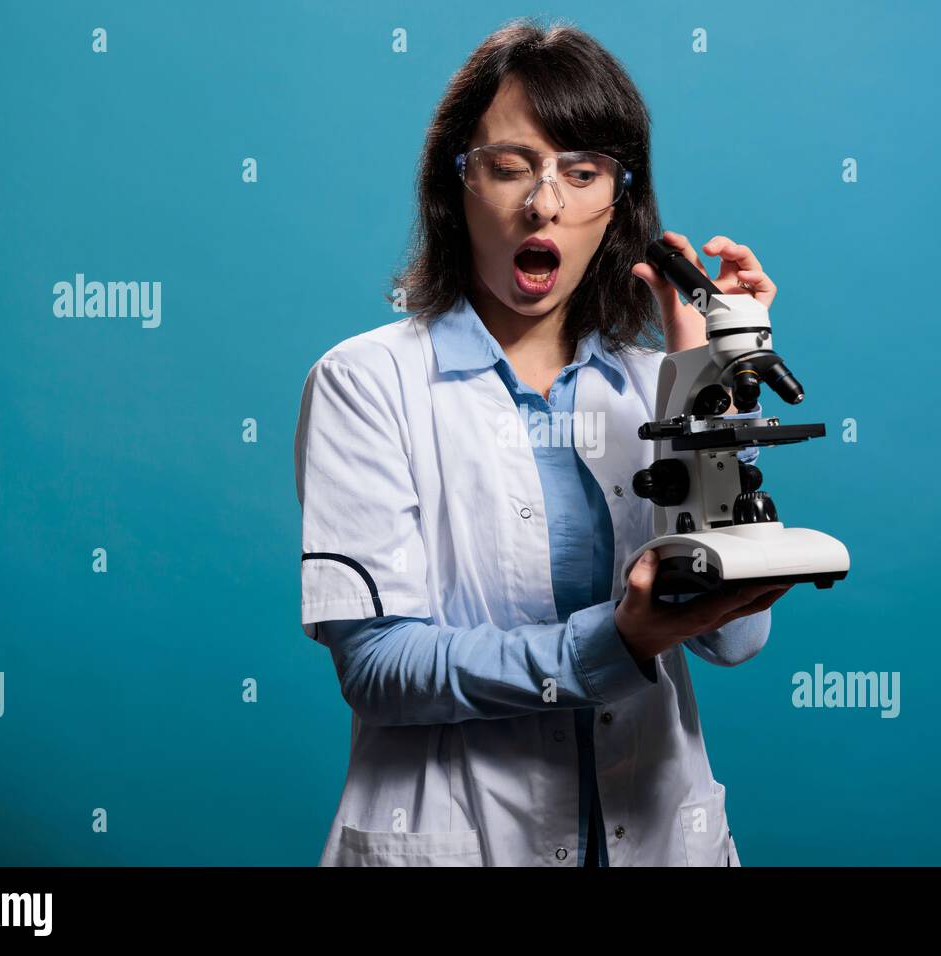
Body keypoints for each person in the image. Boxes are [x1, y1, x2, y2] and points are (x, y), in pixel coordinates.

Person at [293, 18, 791, 867]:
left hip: (660, 835)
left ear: (617, 202)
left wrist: (702, 385)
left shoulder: (651, 386)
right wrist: (617, 642)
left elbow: (734, 640)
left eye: (582, 171)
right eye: (510, 165)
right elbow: (377, 667)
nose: (546, 202)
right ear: (456, 184)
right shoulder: (367, 381)